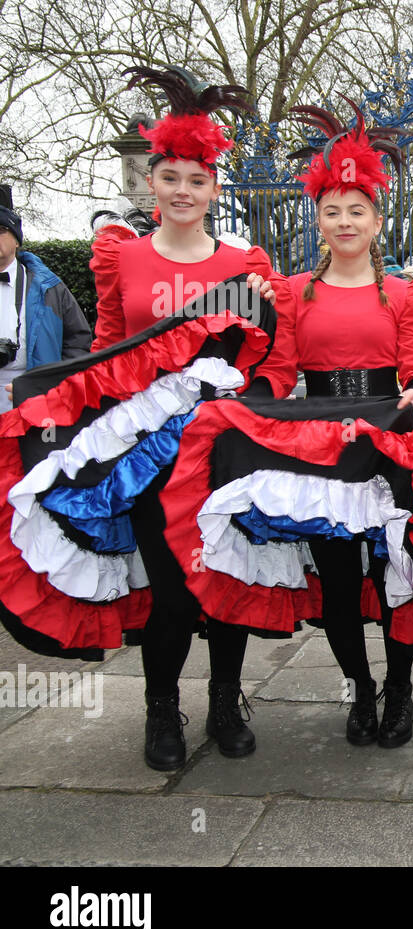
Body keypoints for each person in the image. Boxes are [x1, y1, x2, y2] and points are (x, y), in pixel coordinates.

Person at [90, 66, 282, 771]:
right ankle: (161, 706)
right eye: (169, 177)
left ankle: (227, 700)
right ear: (151, 182)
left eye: (196, 181)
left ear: (214, 187)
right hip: (147, 451)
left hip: (223, 448)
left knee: (225, 575)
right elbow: (108, 349)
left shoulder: (245, 262)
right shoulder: (124, 258)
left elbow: (268, 357)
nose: (181, 191)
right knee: (171, 585)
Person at [252, 99, 413, 748]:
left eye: (357, 209)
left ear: (377, 219)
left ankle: (400, 691)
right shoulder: (293, 292)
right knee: (335, 583)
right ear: (319, 219)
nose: (345, 221)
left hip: (391, 442)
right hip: (323, 444)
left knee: (395, 572)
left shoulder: (408, 293)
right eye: (332, 211)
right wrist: (248, 402)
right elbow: (277, 375)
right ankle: (358, 689)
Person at [0, 204, 92, 412]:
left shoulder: (50, 288)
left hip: (34, 397)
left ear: (16, 240)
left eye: (0, 230)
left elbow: (78, 342)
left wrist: (54, 386)